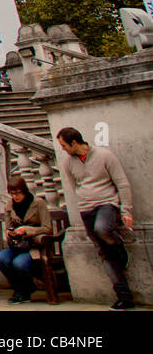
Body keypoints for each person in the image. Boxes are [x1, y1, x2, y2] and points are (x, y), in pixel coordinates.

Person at [56, 127, 136, 310]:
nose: (62, 149)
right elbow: (74, 185)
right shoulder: (68, 162)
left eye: (63, 145)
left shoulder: (104, 155)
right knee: (104, 253)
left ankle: (119, 245)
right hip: (86, 209)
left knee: (102, 229)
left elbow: (122, 183)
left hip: (107, 203)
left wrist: (126, 211)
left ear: (74, 142)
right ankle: (124, 297)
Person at [0, 175, 53, 304]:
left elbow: (48, 228)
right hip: (17, 245)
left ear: (25, 191)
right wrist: (10, 233)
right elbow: (8, 226)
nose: (16, 197)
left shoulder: (38, 203)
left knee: (19, 264)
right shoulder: (9, 205)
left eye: (18, 193)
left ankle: (23, 292)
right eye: (13, 194)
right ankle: (22, 289)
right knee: (1, 258)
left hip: (34, 246)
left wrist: (27, 230)